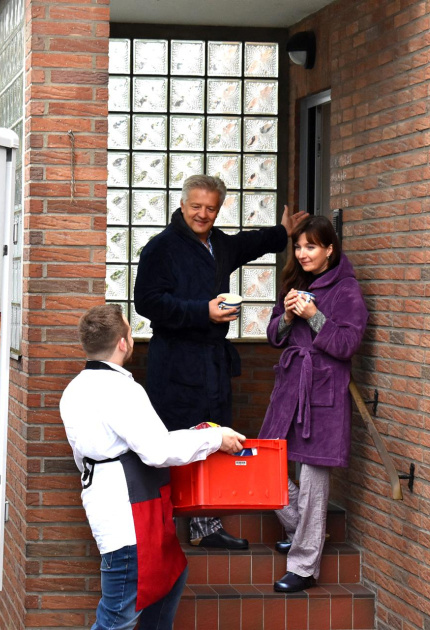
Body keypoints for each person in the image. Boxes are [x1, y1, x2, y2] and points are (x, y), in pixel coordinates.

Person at [134, 174, 308, 550]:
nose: (202, 214)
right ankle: (162, 527)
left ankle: (206, 527)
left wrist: (283, 233)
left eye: (210, 208)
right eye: (196, 206)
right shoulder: (160, 249)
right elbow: (146, 302)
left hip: (212, 361)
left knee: (214, 437)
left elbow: (250, 244)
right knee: (175, 439)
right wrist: (203, 312)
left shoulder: (219, 244)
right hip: (176, 361)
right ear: (181, 205)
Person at [60, 304, 246, 630]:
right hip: (129, 517)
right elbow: (157, 451)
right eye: (130, 332)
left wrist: (194, 435)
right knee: (116, 620)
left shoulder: (74, 390)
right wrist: (215, 439)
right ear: (122, 342)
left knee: (172, 576)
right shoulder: (122, 390)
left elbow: (112, 449)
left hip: (109, 504)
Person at [257, 216, 368, 593]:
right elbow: (273, 335)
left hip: (324, 391)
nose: (303, 254)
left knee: (314, 481)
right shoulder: (294, 282)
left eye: (311, 247)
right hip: (290, 385)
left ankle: (303, 566)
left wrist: (314, 317)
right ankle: (301, 528)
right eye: (299, 247)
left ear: (329, 249)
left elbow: (347, 345)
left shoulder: (346, 289)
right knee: (265, 463)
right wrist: (287, 316)